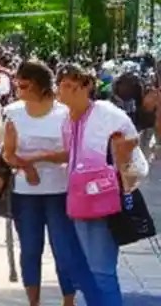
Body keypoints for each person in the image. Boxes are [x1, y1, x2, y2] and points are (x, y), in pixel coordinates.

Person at [58, 62, 148, 306]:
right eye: (61, 85)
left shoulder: (104, 112)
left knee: (100, 269)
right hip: (78, 199)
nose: (63, 90)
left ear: (85, 87)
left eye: (69, 85)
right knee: (88, 269)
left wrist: (118, 167)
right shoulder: (68, 118)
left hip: (101, 199)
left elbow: (129, 137)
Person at [3, 60, 85, 306]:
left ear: (40, 86)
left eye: (25, 85)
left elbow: (72, 151)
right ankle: (33, 301)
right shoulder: (14, 112)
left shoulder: (63, 113)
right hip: (25, 192)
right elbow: (8, 153)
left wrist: (40, 158)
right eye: (18, 85)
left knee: (64, 249)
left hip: (59, 190)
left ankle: (68, 300)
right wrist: (26, 167)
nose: (20, 90)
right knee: (29, 249)